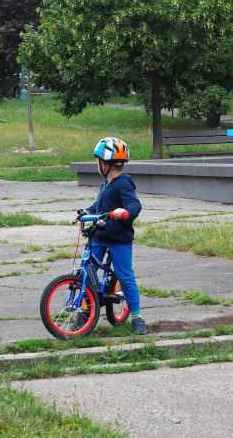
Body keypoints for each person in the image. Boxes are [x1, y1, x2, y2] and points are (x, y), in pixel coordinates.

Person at [79, 137, 146, 334]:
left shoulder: (123, 183)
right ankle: (86, 311)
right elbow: (99, 206)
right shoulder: (105, 183)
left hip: (119, 238)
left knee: (125, 275)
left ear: (105, 163)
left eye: (99, 161)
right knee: (87, 270)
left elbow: (134, 205)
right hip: (100, 234)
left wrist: (124, 212)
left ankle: (137, 317)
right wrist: (85, 212)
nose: (98, 165)